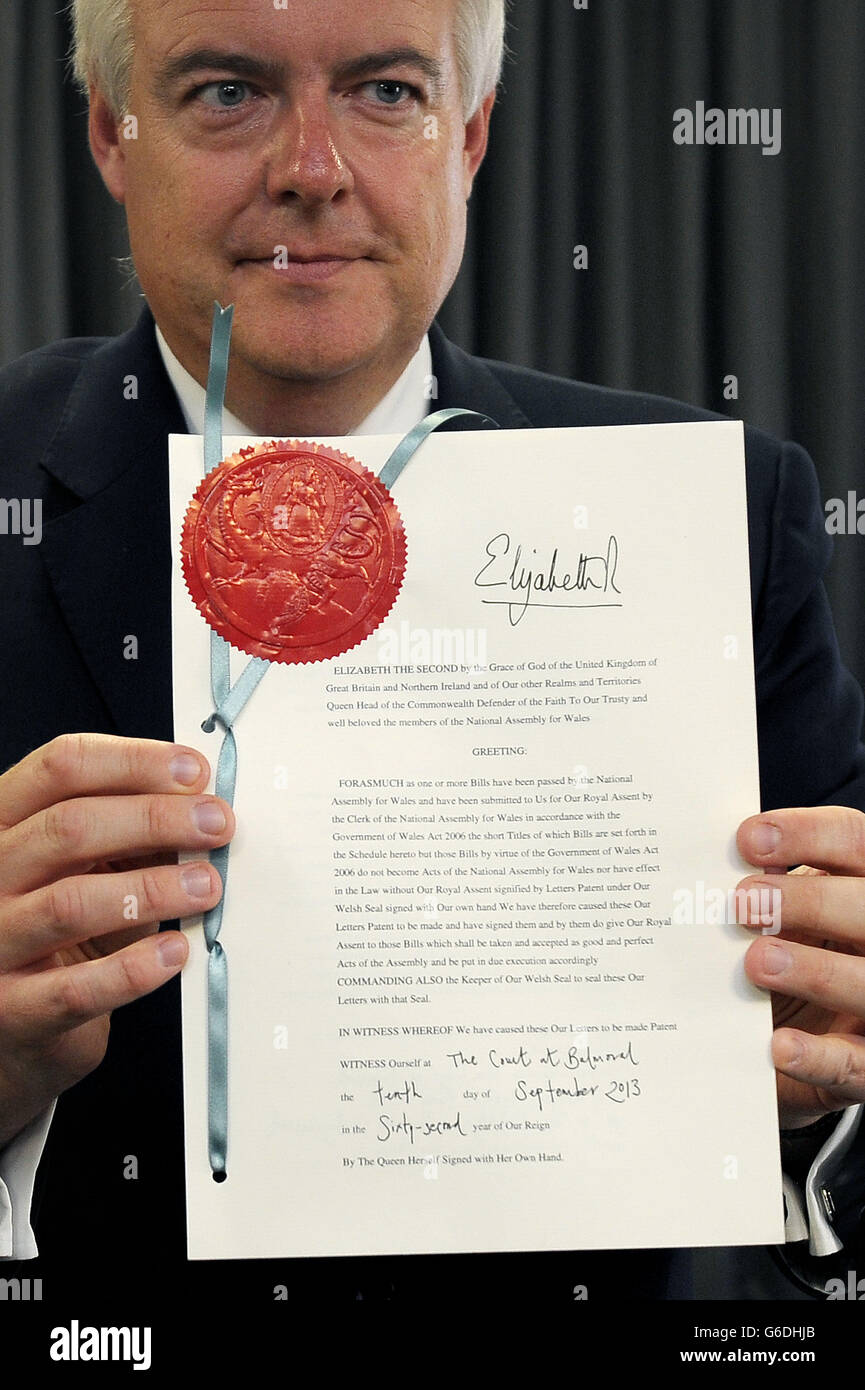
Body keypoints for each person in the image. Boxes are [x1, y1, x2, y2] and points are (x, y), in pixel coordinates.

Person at [0, 0, 863, 1306]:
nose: (311, 164)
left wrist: (817, 1093)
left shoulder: (724, 520)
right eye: (227, 91)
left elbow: (826, 1174)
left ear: (468, 137)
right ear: (112, 138)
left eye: (385, 92)